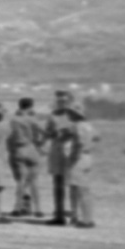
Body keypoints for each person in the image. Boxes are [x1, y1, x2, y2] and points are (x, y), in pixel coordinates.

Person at [45, 91, 98, 228]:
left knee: (76, 186)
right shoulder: (53, 116)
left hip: (73, 153)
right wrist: (54, 134)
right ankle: (59, 215)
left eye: (64, 101)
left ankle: (76, 215)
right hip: (58, 152)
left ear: (70, 102)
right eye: (59, 101)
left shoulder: (78, 120)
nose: (61, 103)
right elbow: (48, 133)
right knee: (58, 184)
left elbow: (92, 138)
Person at [7, 97, 45, 217]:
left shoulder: (13, 120)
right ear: (31, 106)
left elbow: (8, 137)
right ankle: (38, 209)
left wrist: (10, 150)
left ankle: (17, 208)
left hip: (18, 149)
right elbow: (46, 132)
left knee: (20, 181)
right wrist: (40, 143)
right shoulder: (32, 119)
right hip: (31, 149)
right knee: (34, 181)